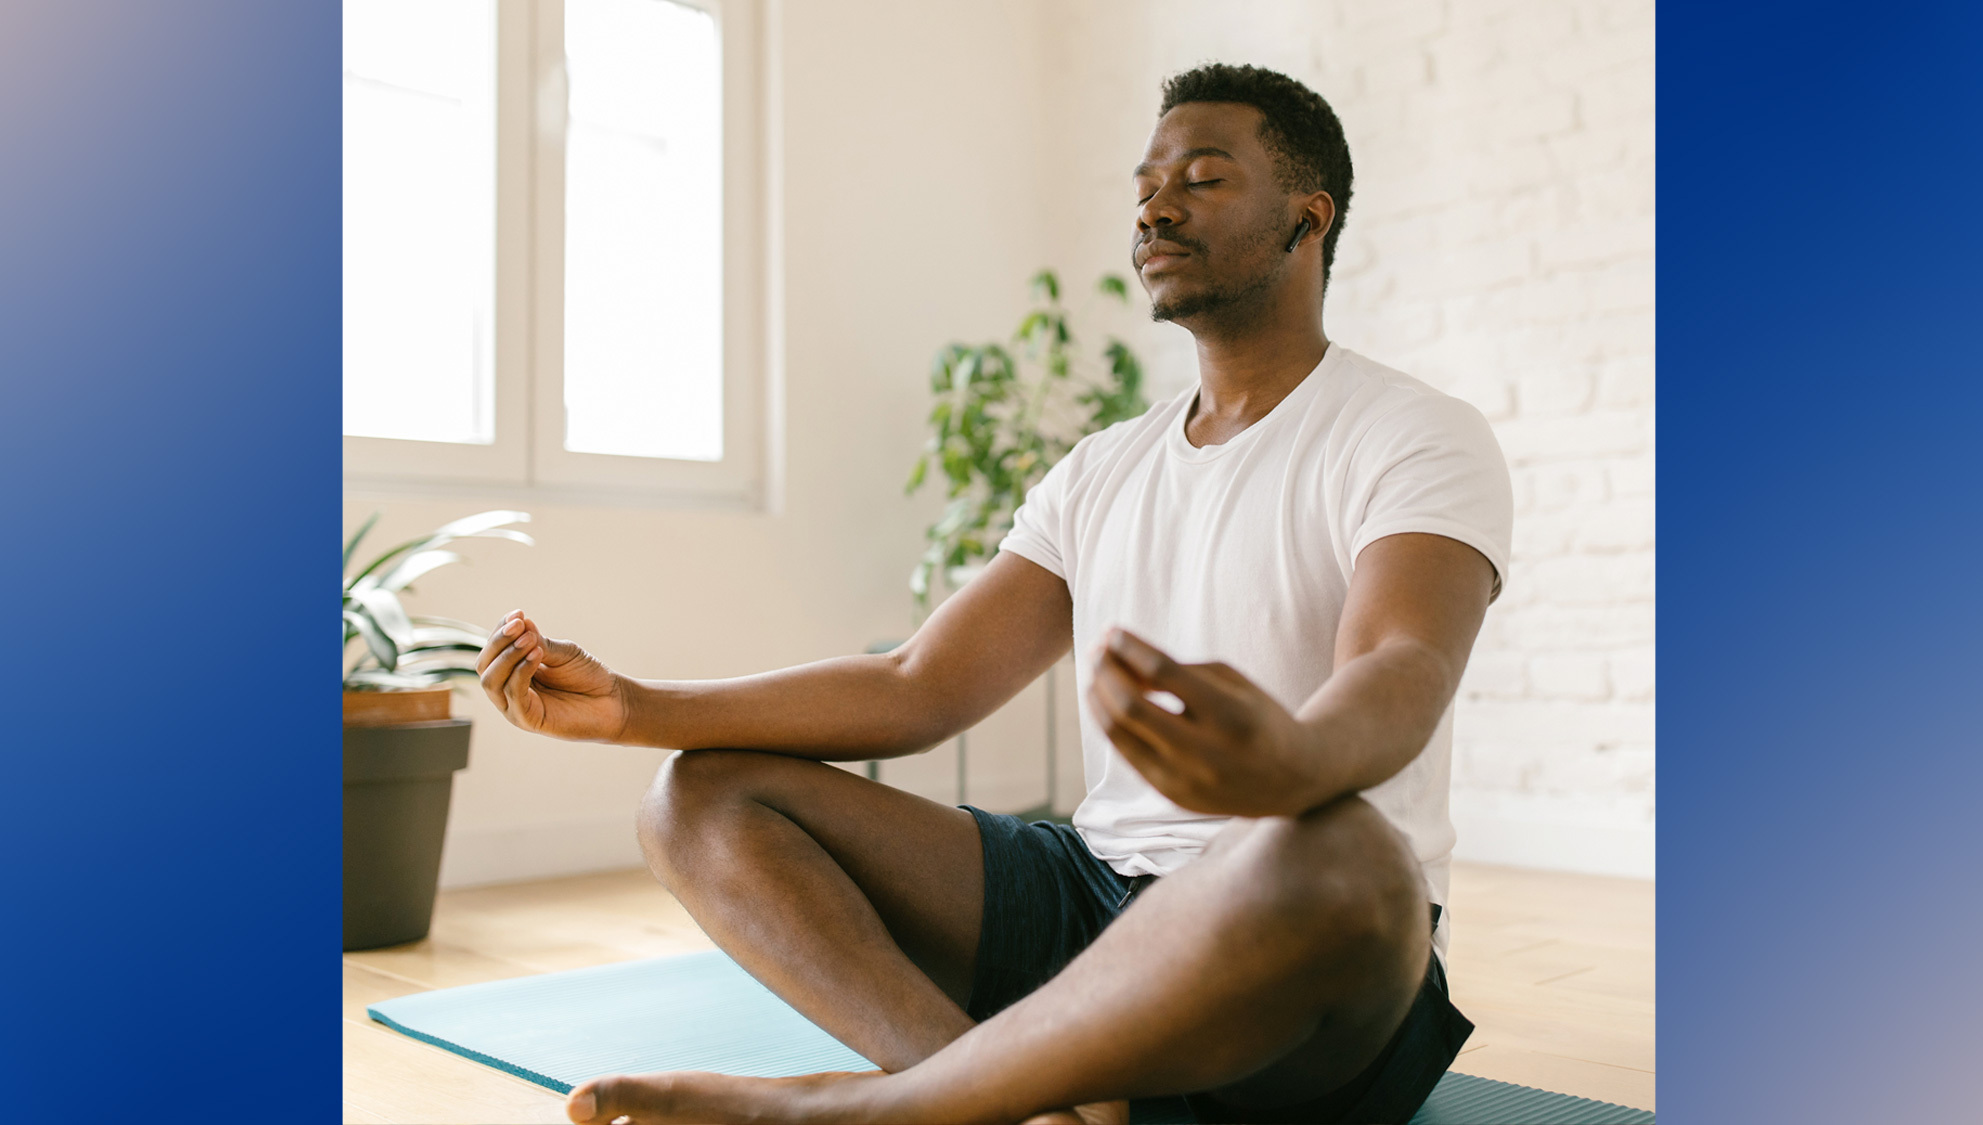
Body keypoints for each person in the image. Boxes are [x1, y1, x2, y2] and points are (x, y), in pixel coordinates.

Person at [477, 62, 1512, 1125]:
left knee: (1348, 858)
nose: (1155, 205)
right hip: (1091, 896)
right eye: (1146, 183)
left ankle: (884, 1110)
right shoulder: (1102, 466)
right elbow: (918, 685)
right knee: (695, 797)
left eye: (1201, 178)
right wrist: (635, 709)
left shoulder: (1413, 432)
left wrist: (1291, 762)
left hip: (1296, 951)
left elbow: (1403, 664)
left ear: (1308, 216)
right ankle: (990, 1099)